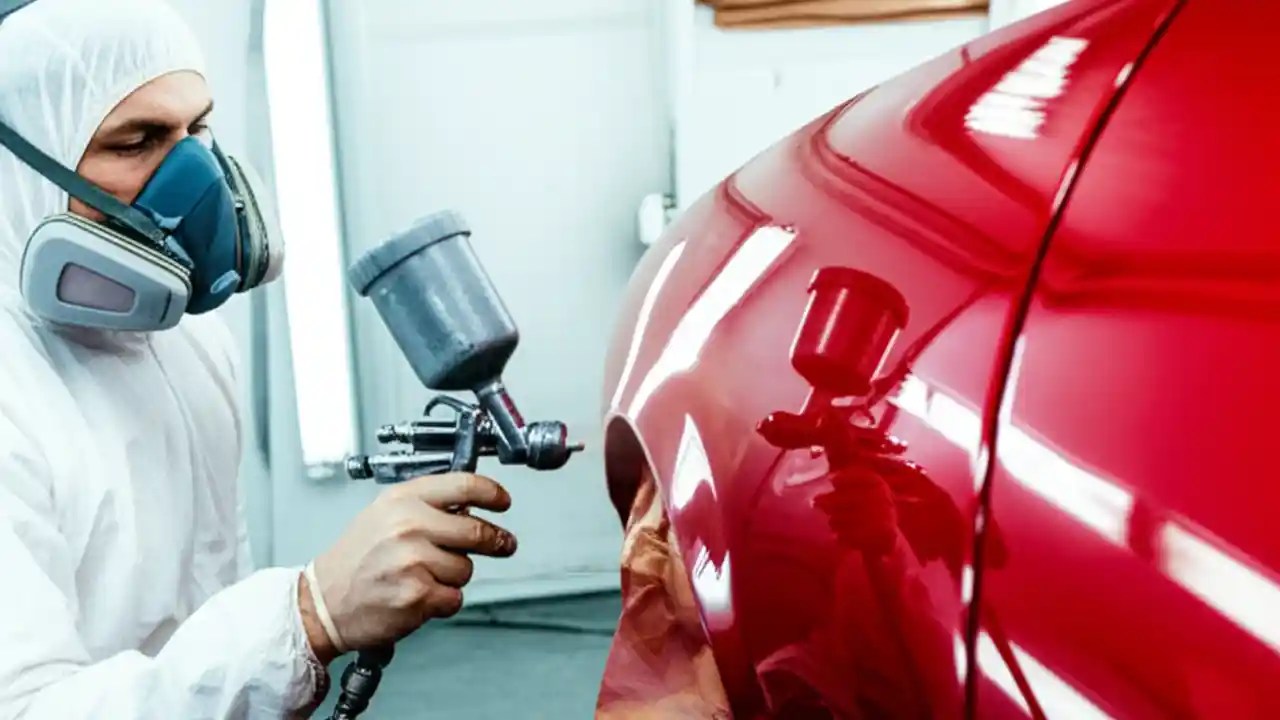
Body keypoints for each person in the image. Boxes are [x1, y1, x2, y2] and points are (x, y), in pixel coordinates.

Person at [0, 0, 518, 716]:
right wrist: (308, 617)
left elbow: (208, 594)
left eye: (197, 129)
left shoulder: (188, 342)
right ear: (21, 169)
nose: (197, 174)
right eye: (139, 140)